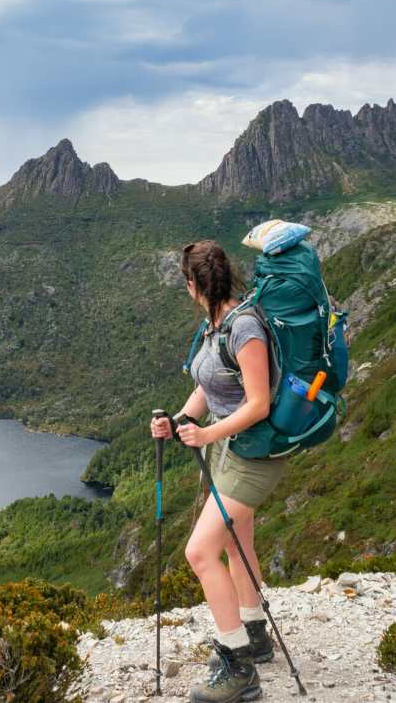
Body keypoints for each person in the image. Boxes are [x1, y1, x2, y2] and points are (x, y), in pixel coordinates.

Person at [149, 239, 288, 703]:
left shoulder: (244, 328)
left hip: (252, 456)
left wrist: (207, 435)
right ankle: (253, 633)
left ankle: (238, 669)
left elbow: (259, 403)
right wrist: (179, 422)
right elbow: (209, 390)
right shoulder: (216, 325)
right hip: (227, 449)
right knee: (235, 542)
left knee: (200, 551)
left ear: (194, 284)